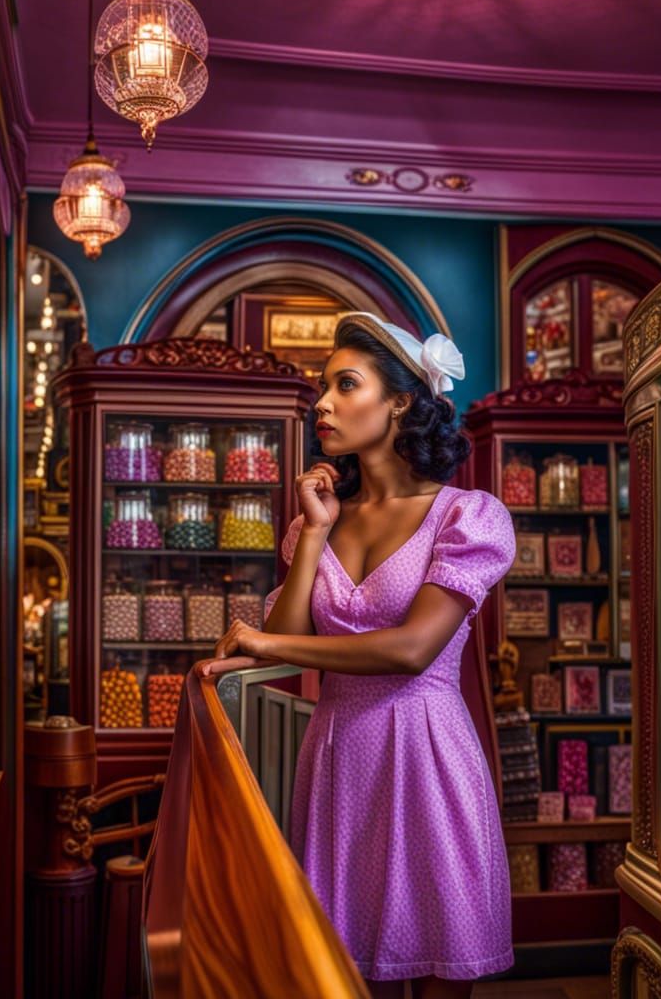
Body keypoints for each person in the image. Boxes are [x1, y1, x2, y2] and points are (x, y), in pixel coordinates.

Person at [203, 312, 516, 998]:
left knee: (438, 969)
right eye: (324, 387)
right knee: (336, 971)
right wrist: (315, 531)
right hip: (339, 756)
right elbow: (278, 652)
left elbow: (412, 650)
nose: (323, 403)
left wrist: (265, 639)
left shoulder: (468, 516)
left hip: (428, 754)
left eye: (346, 385)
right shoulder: (315, 519)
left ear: (400, 402)